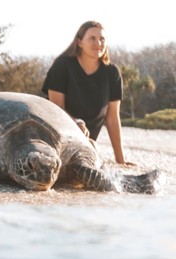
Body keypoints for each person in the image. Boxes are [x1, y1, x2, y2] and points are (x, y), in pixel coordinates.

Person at [43, 20, 135, 166]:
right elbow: (56, 110)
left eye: (102, 39)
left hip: (87, 144)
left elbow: (112, 119)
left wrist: (120, 160)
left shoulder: (112, 73)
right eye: (92, 38)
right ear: (79, 42)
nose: (98, 43)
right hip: (57, 137)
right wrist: (76, 123)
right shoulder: (62, 65)